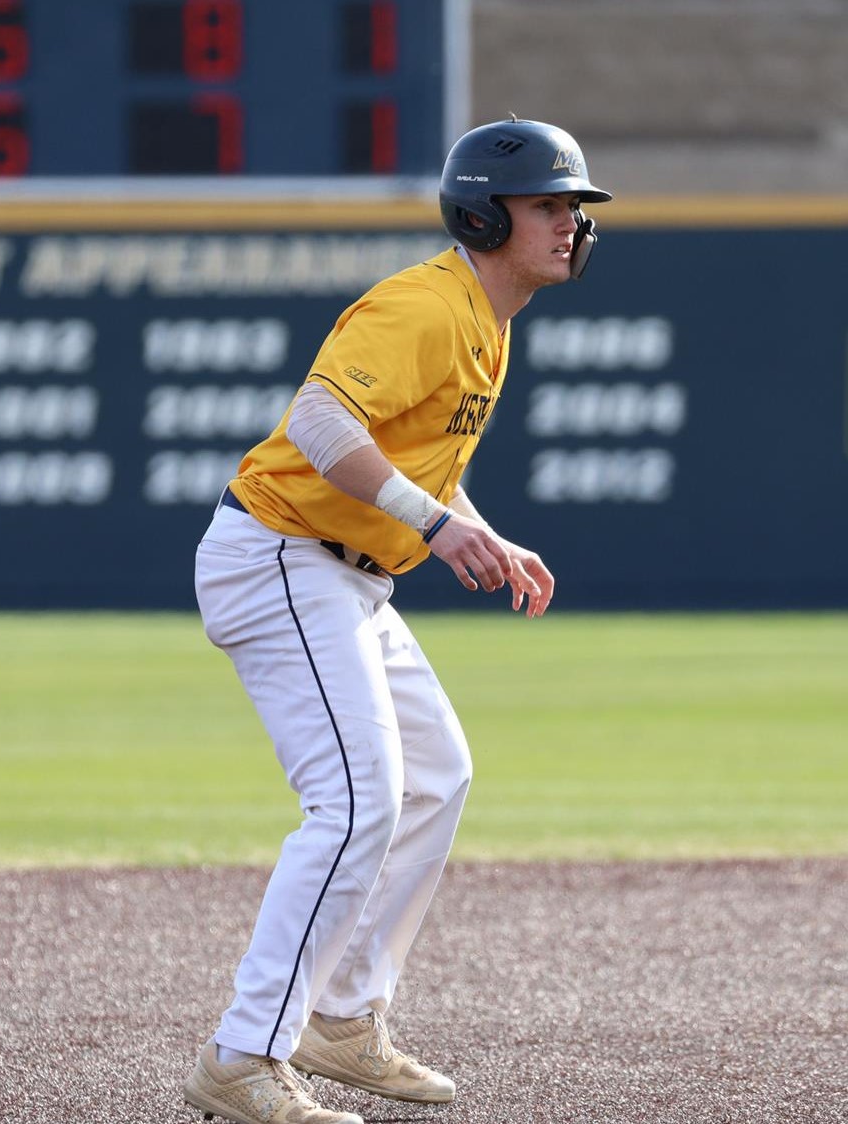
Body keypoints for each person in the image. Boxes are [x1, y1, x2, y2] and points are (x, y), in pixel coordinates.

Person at [181, 116, 612, 1124]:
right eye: (547, 205)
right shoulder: (424, 303)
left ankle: (341, 1014)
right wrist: (432, 522)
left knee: (438, 774)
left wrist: (479, 532)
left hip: (346, 575)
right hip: (280, 554)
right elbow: (319, 423)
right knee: (355, 800)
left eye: (572, 209)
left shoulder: (485, 319)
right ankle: (244, 1051)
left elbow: (422, 467)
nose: (567, 225)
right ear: (480, 212)